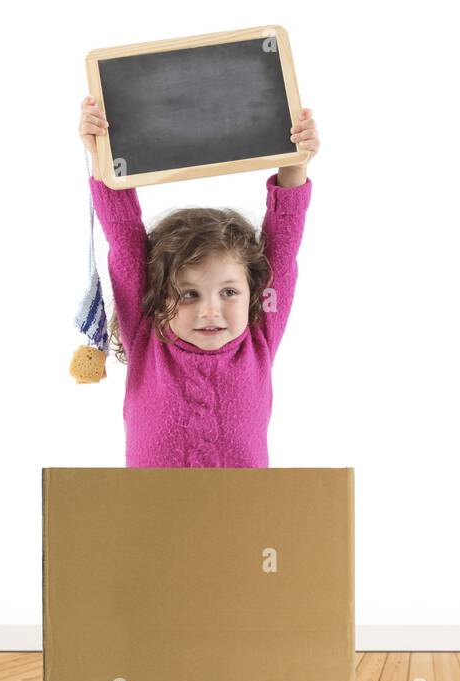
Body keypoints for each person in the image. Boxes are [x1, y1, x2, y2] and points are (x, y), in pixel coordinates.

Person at [77, 96, 318, 467]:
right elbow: (123, 235)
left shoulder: (259, 336)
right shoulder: (146, 332)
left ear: (256, 292)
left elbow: (283, 246)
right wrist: (101, 156)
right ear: (157, 298)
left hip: (245, 519)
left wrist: (294, 162)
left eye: (229, 292)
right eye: (188, 293)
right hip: (152, 517)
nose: (210, 310)